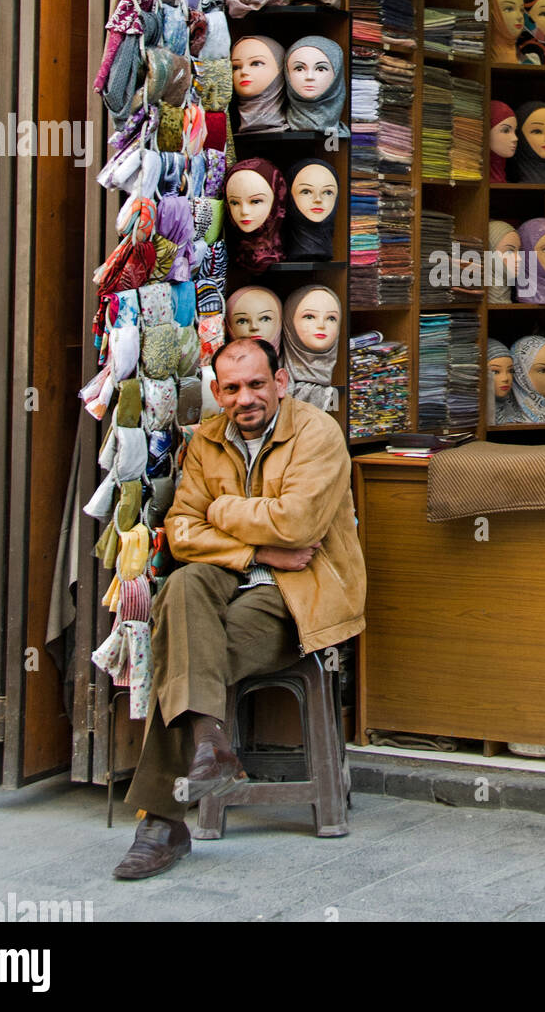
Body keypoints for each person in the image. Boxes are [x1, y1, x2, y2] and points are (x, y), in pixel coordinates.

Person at [113, 336, 365, 880]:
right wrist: (253, 548)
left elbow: (297, 524)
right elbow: (180, 533)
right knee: (180, 589)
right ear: (218, 392)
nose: (245, 397)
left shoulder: (317, 433)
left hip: (299, 592)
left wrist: (222, 508)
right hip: (230, 579)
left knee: (182, 655)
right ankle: (211, 746)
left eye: (256, 384)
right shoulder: (207, 439)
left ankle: (161, 822)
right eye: (231, 388)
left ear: (281, 382)